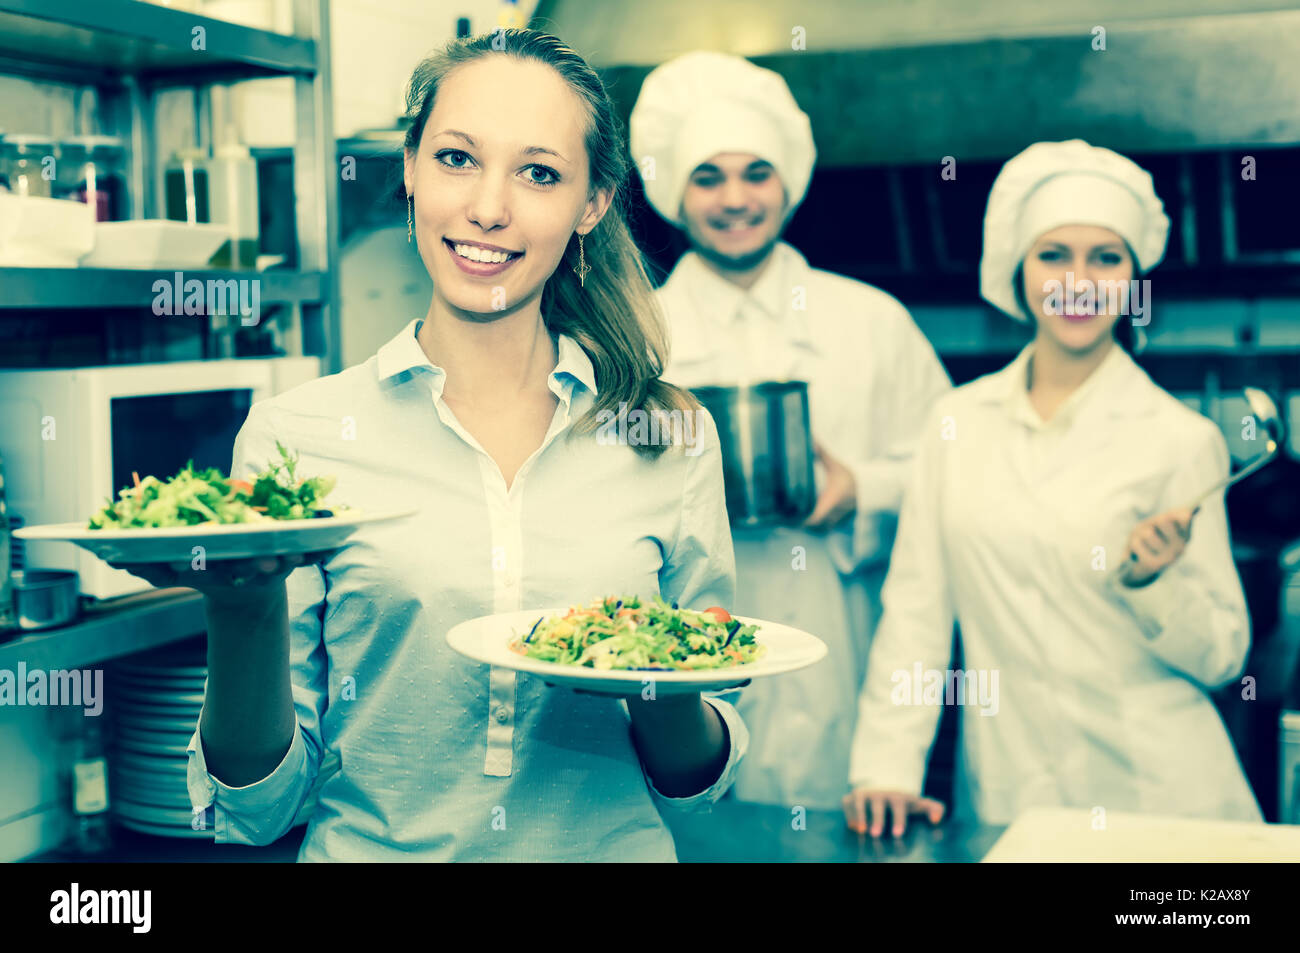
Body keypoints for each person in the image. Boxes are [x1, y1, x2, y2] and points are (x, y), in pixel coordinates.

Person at [113, 29, 747, 861]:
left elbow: (696, 785)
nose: (488, 207)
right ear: (409, 169)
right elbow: (259, 809)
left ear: (592, 204)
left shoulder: (667, 433)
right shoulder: (296, 440)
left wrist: (659, 682)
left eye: (540, 172)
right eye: (457, 158)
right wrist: (242, 607)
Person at [844, 139, 1263, 837]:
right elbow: (916, 609)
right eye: (1054, 254)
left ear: (1133, 278)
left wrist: (1154, 581)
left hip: (1163, 798)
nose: (1080, 279)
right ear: (1019, 270)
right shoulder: (955, 424)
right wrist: (885, 765)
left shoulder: (1179, 438)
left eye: (1106, 258)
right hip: (1014, 794)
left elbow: (1223, 654)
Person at [629, 52, 950, 810]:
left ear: (788, 184)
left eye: (755, 174)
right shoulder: (638, 335)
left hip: (840, 630)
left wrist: (859, 489)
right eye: (708, 177)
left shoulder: (871, 321)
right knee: (693, 821)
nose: (735, 198)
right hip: (680, 641)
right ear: (676, 192)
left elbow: (956, 475)